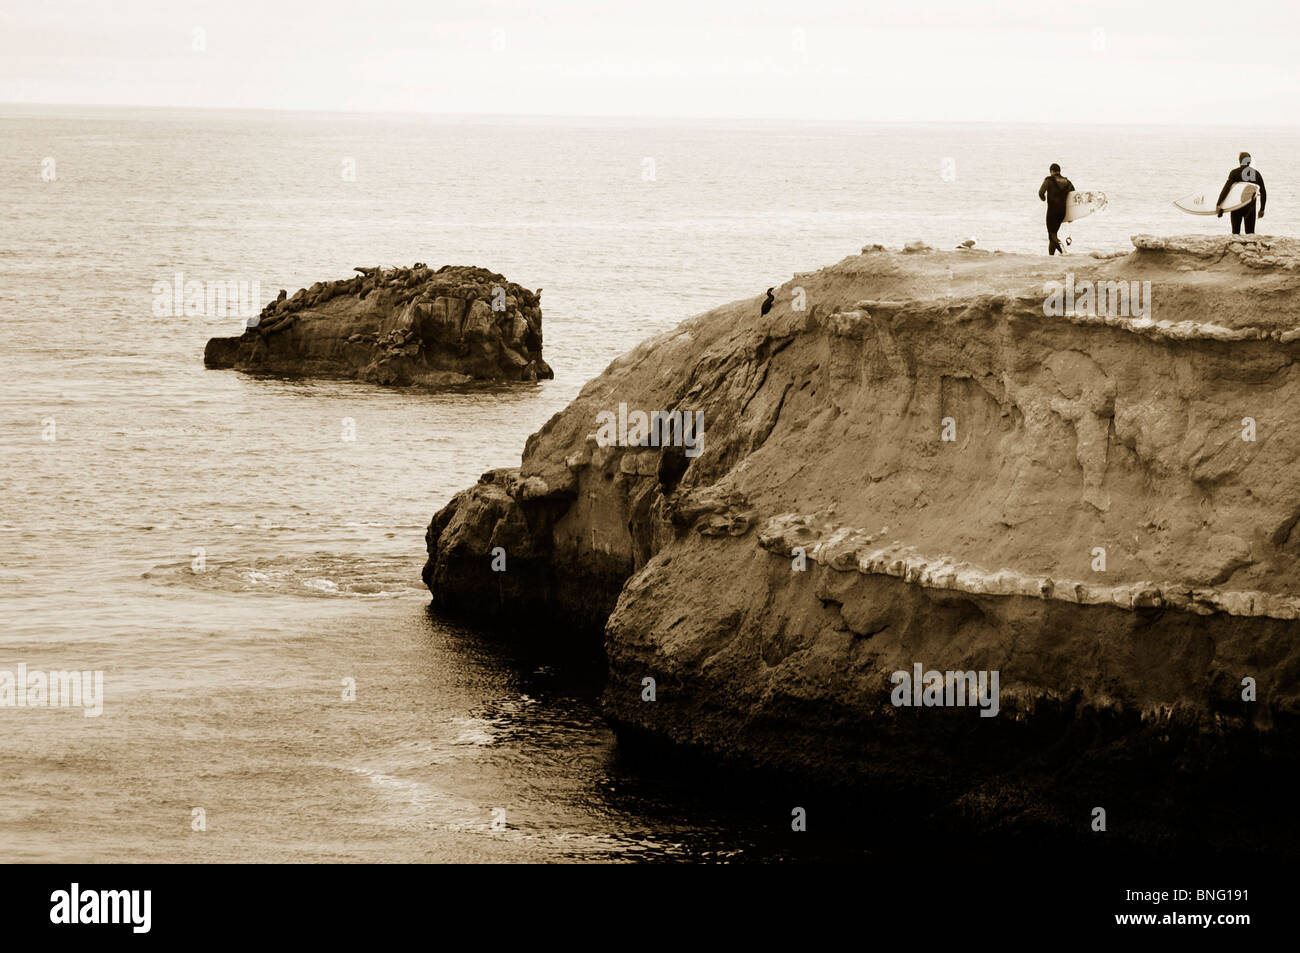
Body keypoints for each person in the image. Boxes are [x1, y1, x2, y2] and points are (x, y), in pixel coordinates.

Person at [1216, 152, 1267, 234]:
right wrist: (1262, 209)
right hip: (1250, 207)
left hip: (1236, 206)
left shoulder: (1234, 173)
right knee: (1250, 233)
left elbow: (1226, 189)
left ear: (1239, 161)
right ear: (1249, 161)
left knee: (1235, 233)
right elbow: (1263, 192)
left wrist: (1219, 204)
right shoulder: (1256, 174)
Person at [1038, 163, 1075, 255]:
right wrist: (1071, 216)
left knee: (1051, 235)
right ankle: (1051, 257)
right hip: (1062, 212)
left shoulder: (1049, 180)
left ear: (1051, 171)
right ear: (1059, 171)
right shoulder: (1067, 182)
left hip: (1052, 211)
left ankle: (1063, 252)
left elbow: (1041, 192)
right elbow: (1073, 197)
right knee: (1053, 235)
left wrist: (1043, 199)